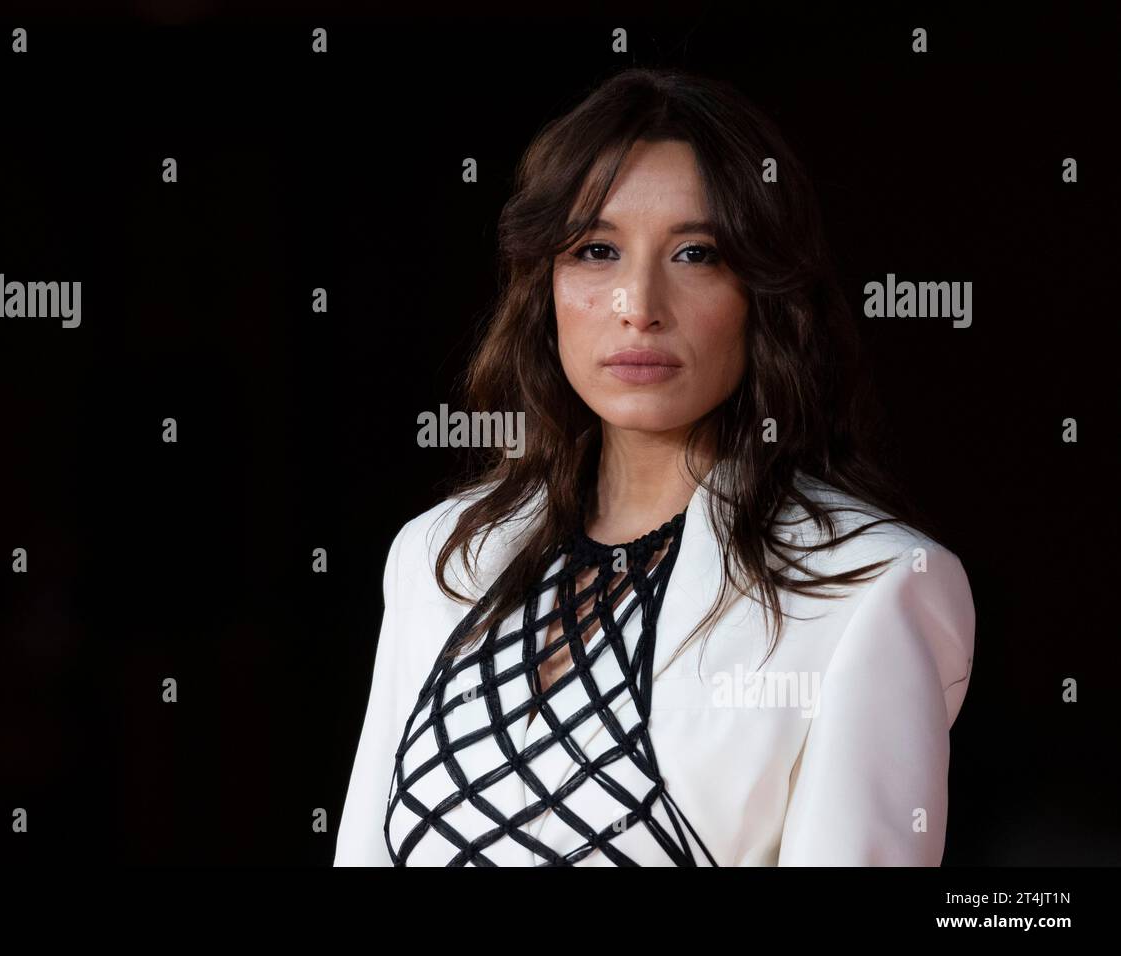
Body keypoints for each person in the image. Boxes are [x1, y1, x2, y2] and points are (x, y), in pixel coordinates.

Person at [334, 66, 975, 866]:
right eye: (597, 250)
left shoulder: (871, 589)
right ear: (547, 285)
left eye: (696, 253)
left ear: (762, 294)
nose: (638, 303)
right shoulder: (438, 557)